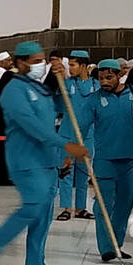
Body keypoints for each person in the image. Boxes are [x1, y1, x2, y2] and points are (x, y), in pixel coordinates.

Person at [0, 42, 89, 265]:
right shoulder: (14, 90)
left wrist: (65, 83)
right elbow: (33, 126)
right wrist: (66, 145)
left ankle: (36, 264)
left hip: (47, 159)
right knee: (34, 206)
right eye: (36, 60)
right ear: (21, 63)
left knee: (44, 213)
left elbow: (59, 110)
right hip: (25, 159)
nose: (41, 65)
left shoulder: (39, 89)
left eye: (43, 60)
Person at [68, 59, 133, 261]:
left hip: (131, 159)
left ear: (119, 75)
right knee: (103, 205)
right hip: (105, 160)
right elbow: (81, 126)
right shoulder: (94, 100)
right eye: (101, 77)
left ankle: (116, 243)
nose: (104, 81)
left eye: (109, 77)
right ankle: (106, 248)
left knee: (126, 202)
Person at [54, 50, 98, 219]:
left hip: (88, 136)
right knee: (66, 171)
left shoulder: (96, 85)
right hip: (67, 135)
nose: (69, 68)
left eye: (73, 65)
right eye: (69, 64)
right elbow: (57, 105)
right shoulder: (66, 84)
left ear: (83, 66)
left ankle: (81, 208)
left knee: (83, 173)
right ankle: (66, 207)